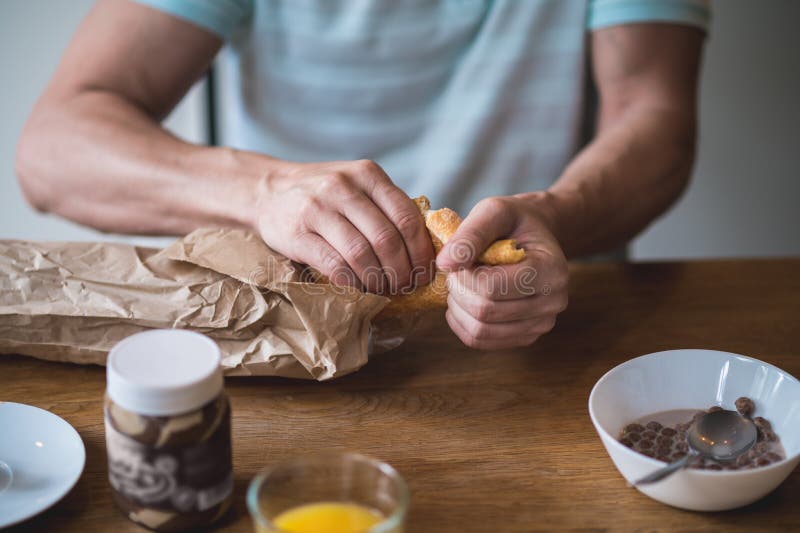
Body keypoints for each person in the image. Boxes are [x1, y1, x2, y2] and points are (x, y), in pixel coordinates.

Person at [16, 0, 708, 350]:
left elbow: (655, 118)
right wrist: (263, 191)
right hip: (284, 334)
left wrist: (558, 215)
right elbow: (52, 150)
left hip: (560, 327)